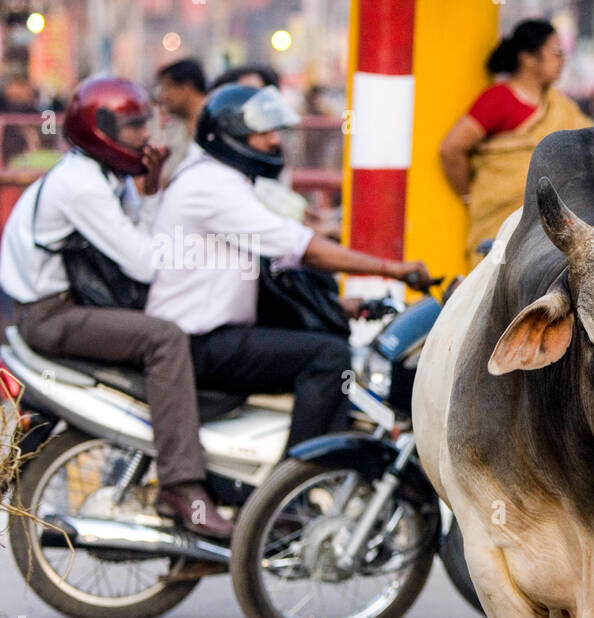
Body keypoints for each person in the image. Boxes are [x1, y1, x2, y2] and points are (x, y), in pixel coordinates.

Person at [0, 76, 232, 539]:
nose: (144, 137)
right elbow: (146, 262)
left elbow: (143, 237)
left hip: (67, 303)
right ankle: (183, 484)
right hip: (50, 316)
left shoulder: (105, 175)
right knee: (166, 338)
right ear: (99, 128)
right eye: (132, 128)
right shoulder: (81, 184)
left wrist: (149, 189)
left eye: (144, 125)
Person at [146, 84, 431, 451]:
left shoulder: (223, 180)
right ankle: (297, 482)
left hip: (213, 335)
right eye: (261, 132)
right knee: (329, 357)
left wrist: (340, 304)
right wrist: (393, 270)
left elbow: (274, 270)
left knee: (326, 343)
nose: (272, 141)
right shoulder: (212, 186)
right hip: (199, 343)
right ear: (229, 136)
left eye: (273, 131)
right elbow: (300, 247)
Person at [439, 19, 589, 266]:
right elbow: (451, 149)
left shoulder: (559, 106)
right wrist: (470, 196)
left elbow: (585, 146)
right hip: (497, 223)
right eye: (555, 52)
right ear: (528, 58)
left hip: (546, 229)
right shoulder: (498, 99)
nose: (562, 59)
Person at [155, 58, 207, 184]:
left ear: (187, 87)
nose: (163, 96)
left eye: (167, 87)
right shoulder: (172, 127)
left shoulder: (216, 123)